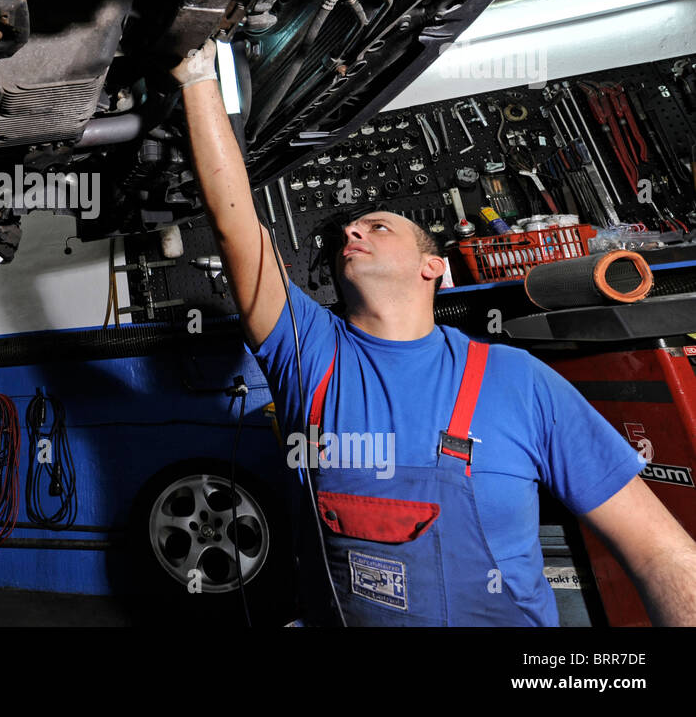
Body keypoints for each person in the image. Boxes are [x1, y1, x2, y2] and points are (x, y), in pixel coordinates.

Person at [172, 38, 696, 626]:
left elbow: (662, 553)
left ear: (432, 267)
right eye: (347, 231)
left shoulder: (520, 380)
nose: (352, 234)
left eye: (377, 226)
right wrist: (196, 74)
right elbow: (235, 224)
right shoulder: (310, 353)